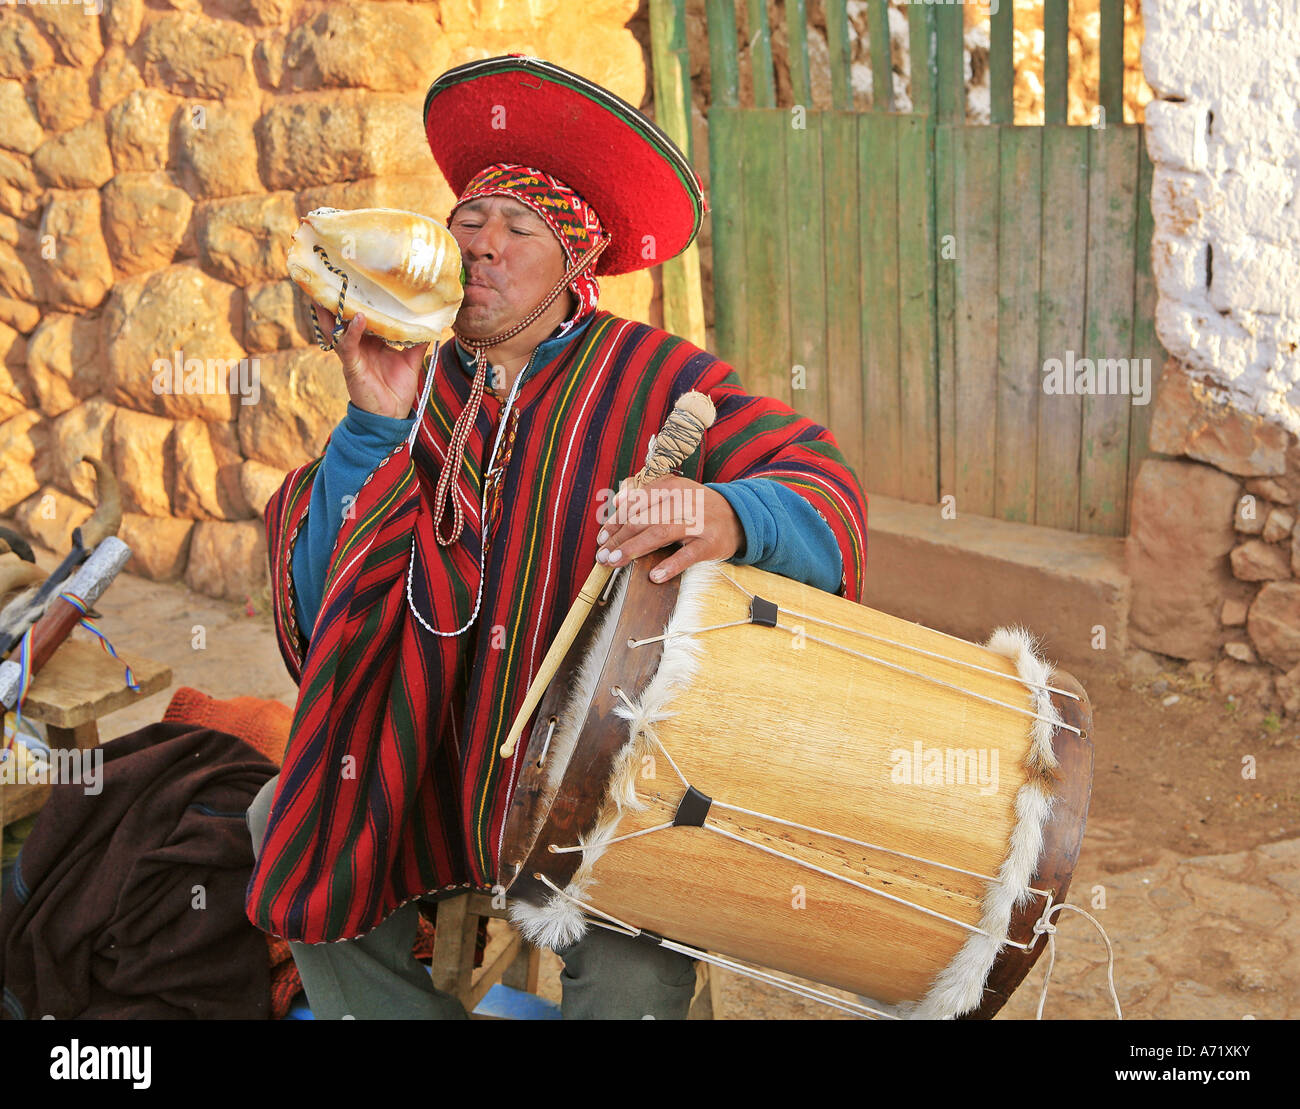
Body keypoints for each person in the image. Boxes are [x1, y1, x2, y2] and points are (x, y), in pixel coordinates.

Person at [245, 56, 868, 1020]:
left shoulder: (659, 378)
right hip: (437, 753)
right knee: (292, 827)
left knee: (633, 981)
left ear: (574, 261)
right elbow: (331, 597)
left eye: (519, 228)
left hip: (600, 777)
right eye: (469, 221)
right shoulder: (416, 380)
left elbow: (822, 491)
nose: (483, 247)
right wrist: (371, 423)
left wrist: (731, 513)